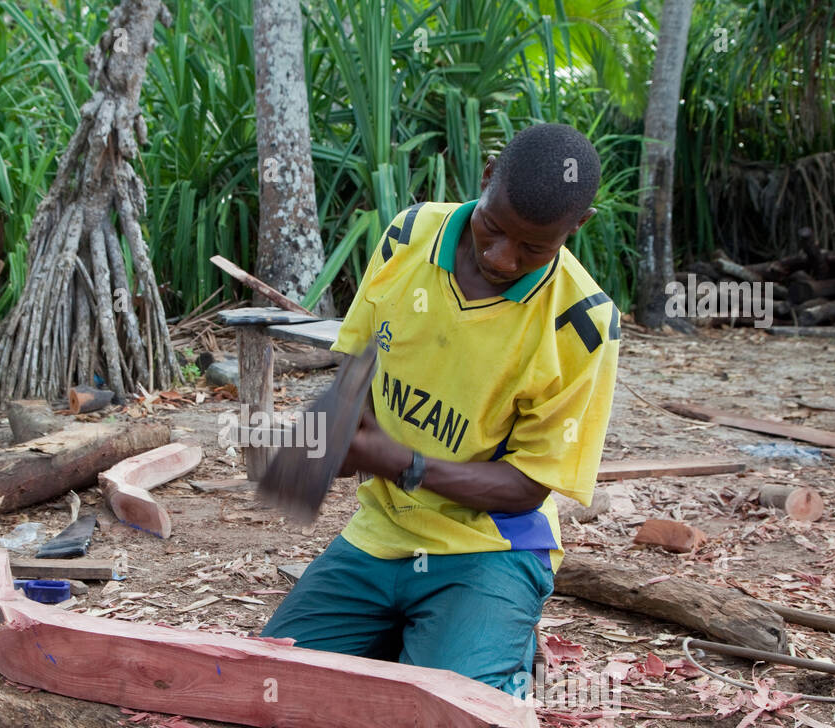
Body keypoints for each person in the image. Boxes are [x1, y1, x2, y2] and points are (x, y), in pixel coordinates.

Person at [262, 122, 620, 693]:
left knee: (454, 713)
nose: (503, 258)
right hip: (383, 530)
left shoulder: (580, 323)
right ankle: (424, 632)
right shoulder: (409, 234)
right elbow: (361, 359)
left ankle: (492, 631)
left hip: (489, 547)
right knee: (272, 680)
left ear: (578, 226)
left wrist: (402, 462)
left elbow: (529, 486)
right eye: (492, 228)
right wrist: (333, 432)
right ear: (485, 178)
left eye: (533, 247)